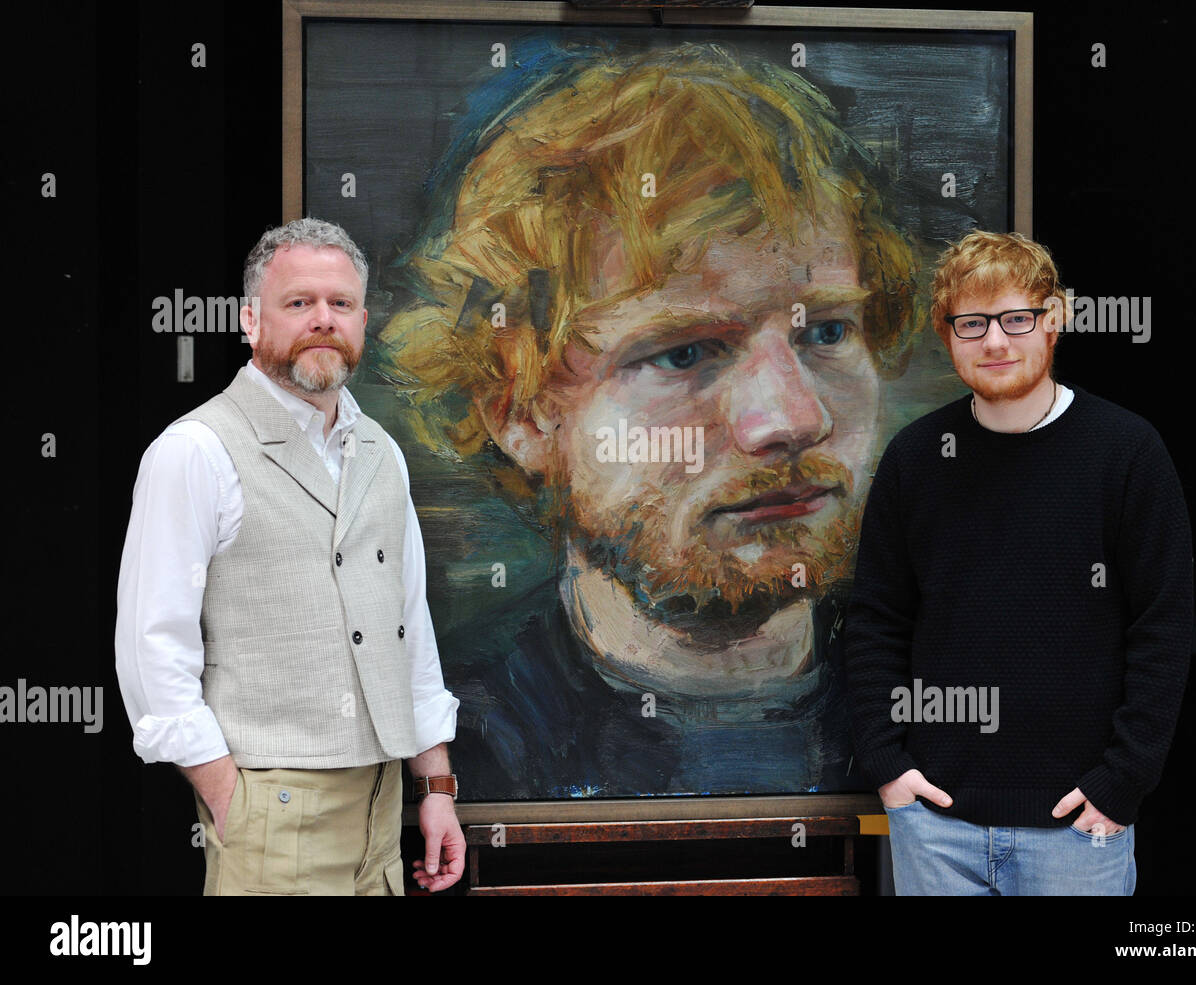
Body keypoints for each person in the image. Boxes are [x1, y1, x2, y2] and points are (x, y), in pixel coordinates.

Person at [378, 41, 920, 799]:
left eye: (827, 332)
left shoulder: (947, 695)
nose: (794, 419)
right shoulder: (449, 739)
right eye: (685, 353)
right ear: (521, 413)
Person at [115, 218, 463, 895]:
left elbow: (408, 631)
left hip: (383, 809)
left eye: (340, 303)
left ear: (363, 321)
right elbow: (151, 644)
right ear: (250, 320)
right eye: (299, 302)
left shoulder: (383, 454)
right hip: (269, 809)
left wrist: (436, 785)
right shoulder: (195, 450)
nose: (323, 319)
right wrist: (229, 798)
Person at [843, 229, 1193, 895]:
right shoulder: (916, 458)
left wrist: (1123, 781)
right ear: (947, 336)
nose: (995, 341)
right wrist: (887, 765)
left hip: (1078, 830)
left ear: (1053, 319)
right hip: (936, 826)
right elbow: (876, 622)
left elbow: (1164, 628)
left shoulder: (1126, 453)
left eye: (1016, 319)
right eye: (972, 323)